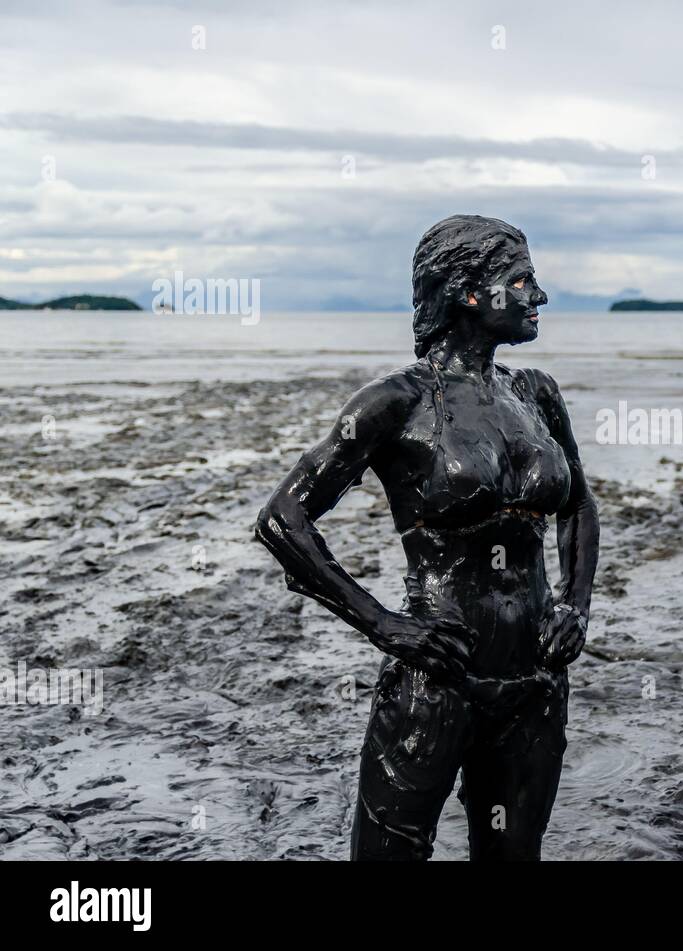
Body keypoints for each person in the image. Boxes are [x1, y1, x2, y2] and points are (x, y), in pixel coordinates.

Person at [255, 215, 599, 860]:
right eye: (520, 280)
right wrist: (384, 625)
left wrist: (575, 606)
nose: (539, 295)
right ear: (468, 291)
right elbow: (283, 519)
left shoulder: (536, 393)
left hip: (536, 678)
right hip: (437, 678)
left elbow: (577, 502)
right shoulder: (395, 402)